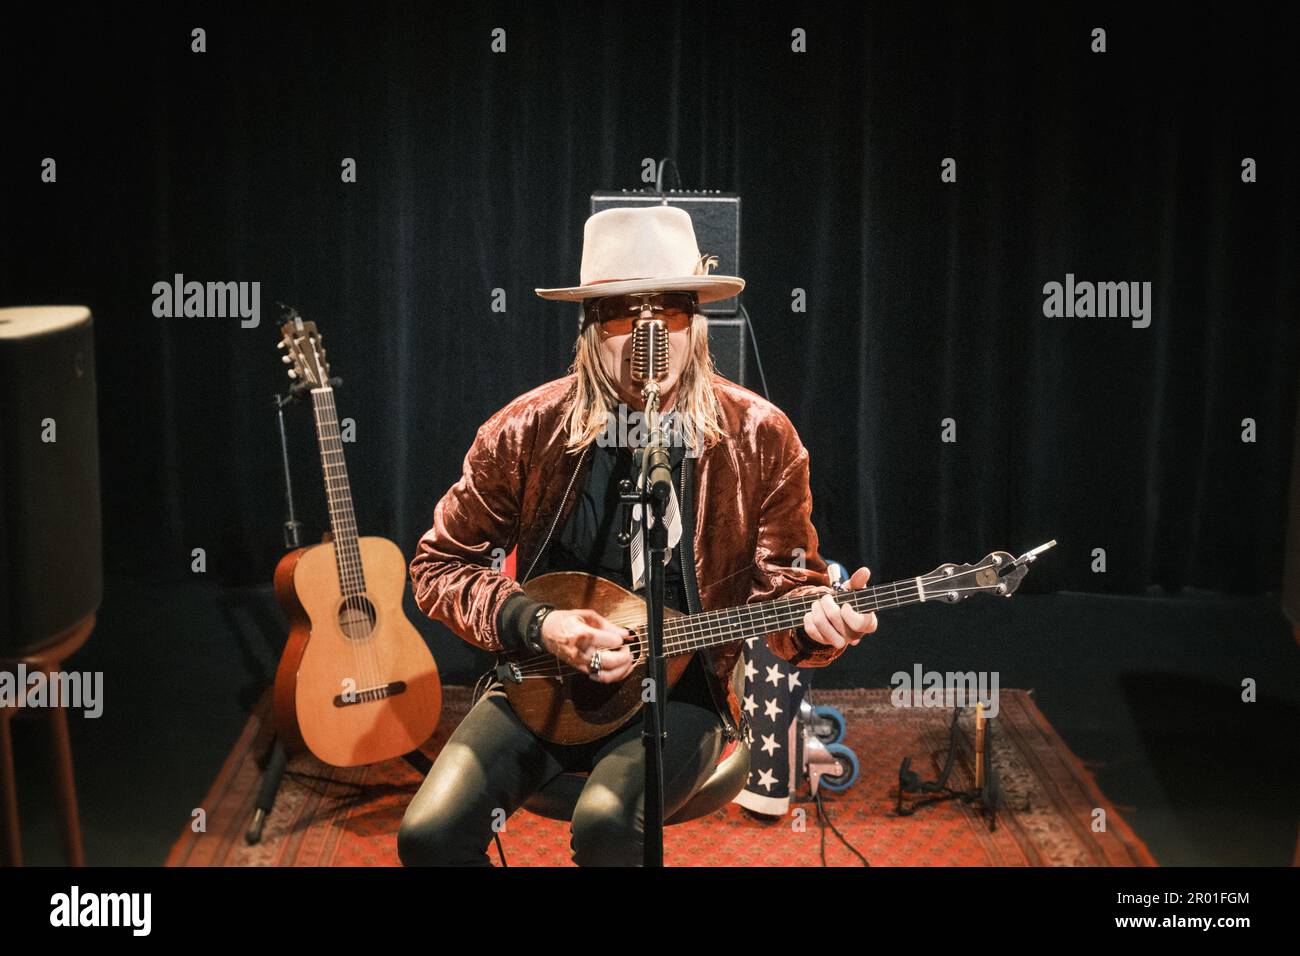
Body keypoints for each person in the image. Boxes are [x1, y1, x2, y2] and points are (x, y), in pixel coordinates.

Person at [398, 205, 877, 866]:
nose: (651, 333)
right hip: (542, 682)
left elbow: (785, 596)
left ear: (696, 325)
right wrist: (540, 625)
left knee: (609, 825)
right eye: (626, 312)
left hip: (682, 694)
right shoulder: (524, 432)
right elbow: (438, 566)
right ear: (592, 325)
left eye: (671, 311)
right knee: (429, 832)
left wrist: (820, 628)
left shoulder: (761, 438)